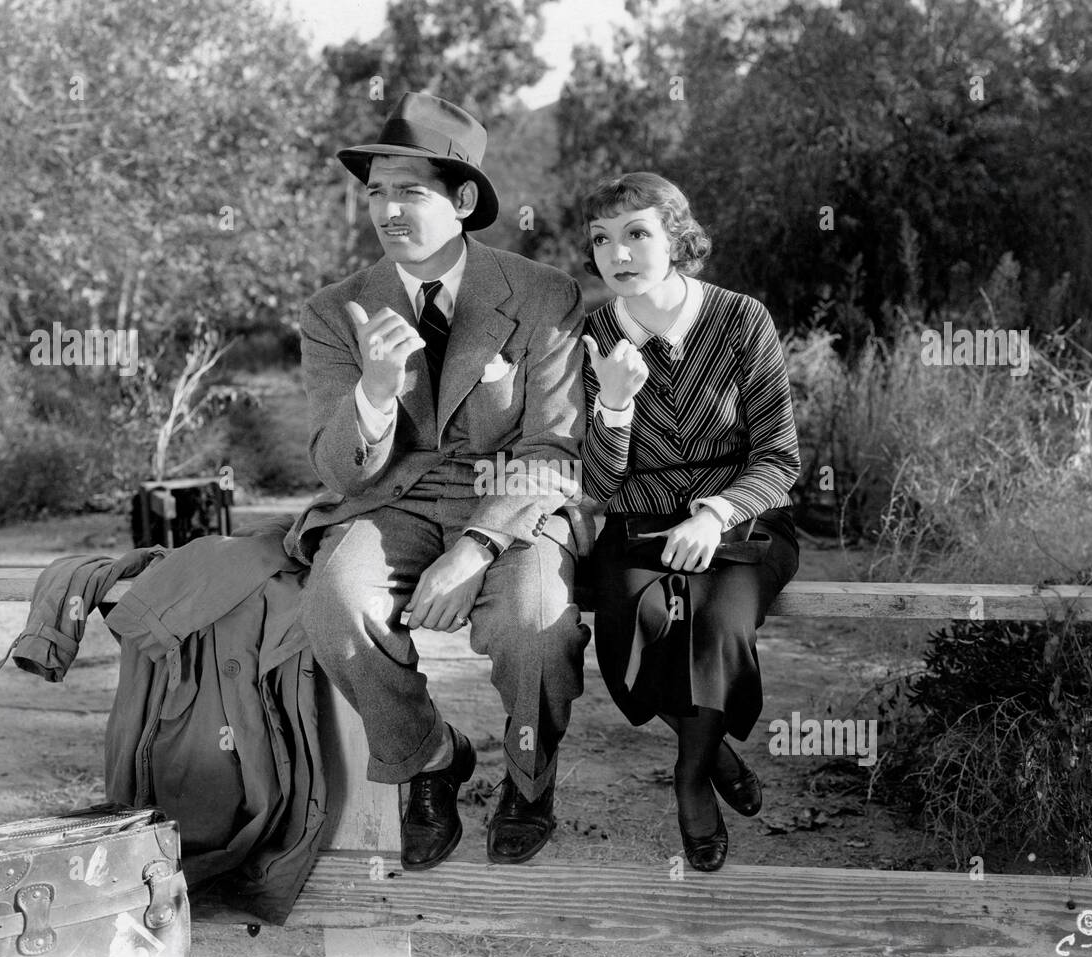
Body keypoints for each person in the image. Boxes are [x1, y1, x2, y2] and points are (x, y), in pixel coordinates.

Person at [284, 93, 590, 870]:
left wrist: (477, 548)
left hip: (514, 503)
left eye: (410, 191)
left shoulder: (544, 293)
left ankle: (529, 779)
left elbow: (552, 446)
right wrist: (376, 394)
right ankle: (428, 760)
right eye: (376, 192)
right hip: (394, 500)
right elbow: (336, 467)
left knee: (536, 621)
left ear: (461, 200)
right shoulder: (334, 311)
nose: (388, 209)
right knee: (336, 601)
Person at [578, 171, 801, 872]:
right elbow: (601, 484)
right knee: (626, 630)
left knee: (717, 624)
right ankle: (718, 751)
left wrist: (715, 513)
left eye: (637, 232)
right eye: (602, 239)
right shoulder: (595, 335)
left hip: (746, 519)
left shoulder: (741, 319)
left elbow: (779, 457)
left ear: (675, 237)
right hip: (638, 521)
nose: (618, 252)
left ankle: (691, 779)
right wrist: (613, 407)